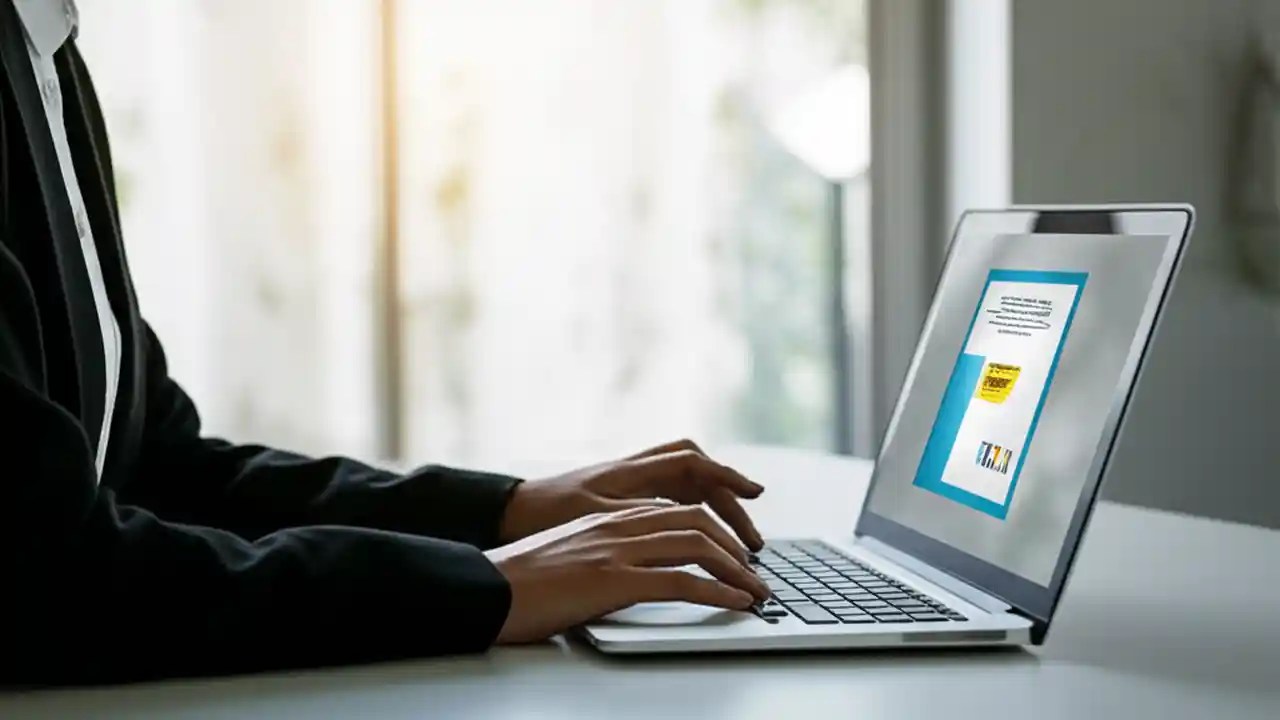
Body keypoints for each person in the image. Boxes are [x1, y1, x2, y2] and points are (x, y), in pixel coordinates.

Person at [0, 1, 771, 685]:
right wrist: (485, 586)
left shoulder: (47, 47)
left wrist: (507, 511)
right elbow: (51, 578)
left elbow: (159, 468)